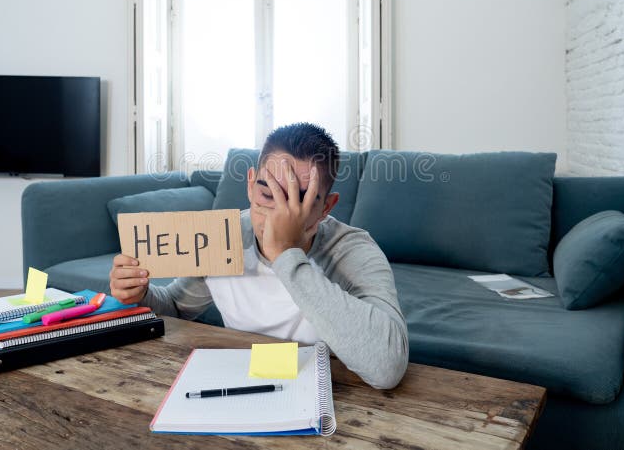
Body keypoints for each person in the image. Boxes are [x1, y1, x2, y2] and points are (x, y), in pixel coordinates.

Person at [110, 122, 408, 389]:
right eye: (269, 195)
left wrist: (286, 255)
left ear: (326, 207)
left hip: (324, 393)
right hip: (242, 384)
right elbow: (174, 306)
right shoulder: (223, 236)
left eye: (299, 202)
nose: (280, 216)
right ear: (251, 184)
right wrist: (140, 294)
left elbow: (386, 367)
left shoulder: (352, 250)